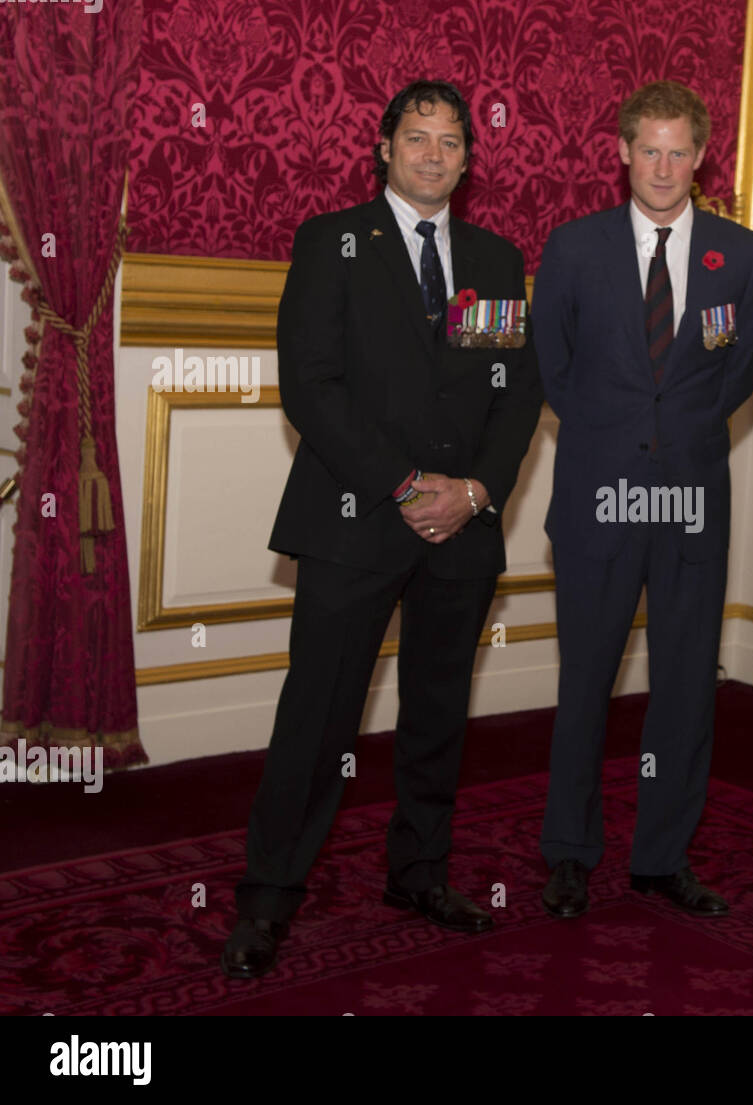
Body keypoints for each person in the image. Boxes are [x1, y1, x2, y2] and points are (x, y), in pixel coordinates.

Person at [221, 80, 542, 979]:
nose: (434, 154)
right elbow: (309, 389)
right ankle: (268, 897)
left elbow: (518, 394)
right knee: (317, 719)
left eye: (450, 142)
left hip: (463, 530)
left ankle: (420, 873)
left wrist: (475, 491)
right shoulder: (332, 242)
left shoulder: (498, 256)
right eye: (417, 138)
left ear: (469, 159)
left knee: (438, 713)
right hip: (355, 520)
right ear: (384, 147)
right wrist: (407, 485)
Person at [532, 80, 753, 919]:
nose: (664, 166)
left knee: (683, 686)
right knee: (586, 681)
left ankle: (662, 855)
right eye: (649, 149)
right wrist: (618, 436)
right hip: (599, 494)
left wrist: (678, 438)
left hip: (692, 500)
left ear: (700, 156)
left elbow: (737, 375)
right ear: (623, 152)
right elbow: (551, 367)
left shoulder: (739, 254)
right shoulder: (572, 248)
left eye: (680, 151)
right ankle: (569, 851)